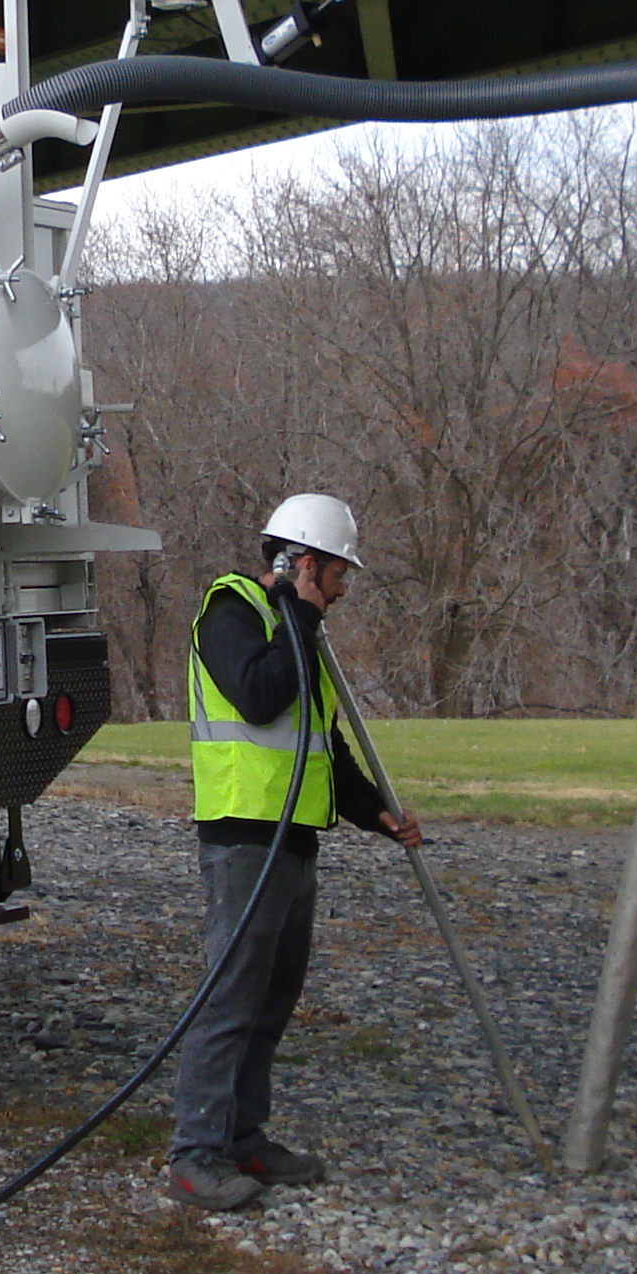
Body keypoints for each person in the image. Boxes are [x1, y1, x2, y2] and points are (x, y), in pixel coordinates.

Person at [166, 493, 422, 1213]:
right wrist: (300, 614)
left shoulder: (299, 629)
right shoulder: (234, 611)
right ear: (305, 564)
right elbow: (257, 697)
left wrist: (378, 811)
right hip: (244, 835)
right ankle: (196, 1153)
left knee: (272, 998)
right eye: (339, 573)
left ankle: (244, 1137)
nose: (343, 589)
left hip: (294, 840)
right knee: (230, 998)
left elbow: (322, 747)